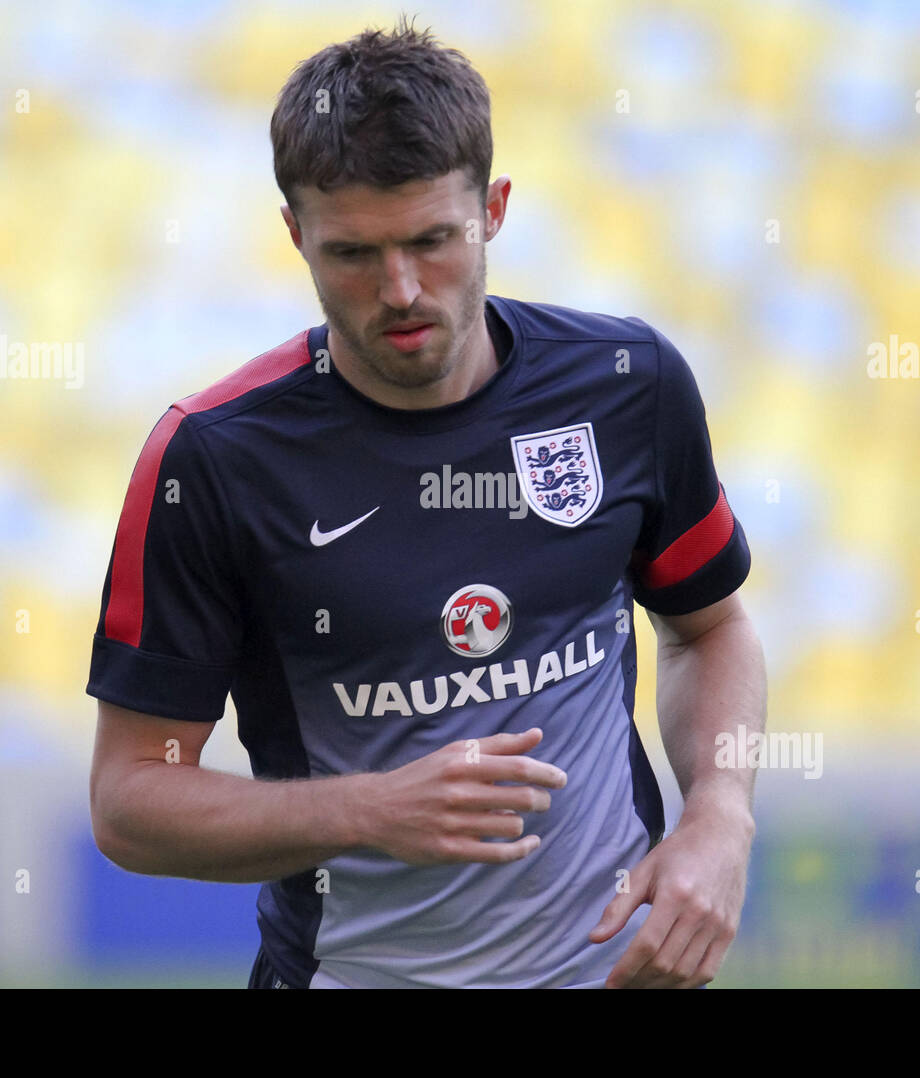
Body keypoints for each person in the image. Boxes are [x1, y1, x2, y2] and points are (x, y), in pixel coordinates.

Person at [86, 15, 766, 990]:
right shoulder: (214, 458)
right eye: (353, 254)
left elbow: (712, 630)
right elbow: (128, 799)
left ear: (491, 208)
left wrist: (720, 814)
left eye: (431, 240)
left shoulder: (626, 384)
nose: (400, 289)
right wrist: (364, 809)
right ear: (295, 235)